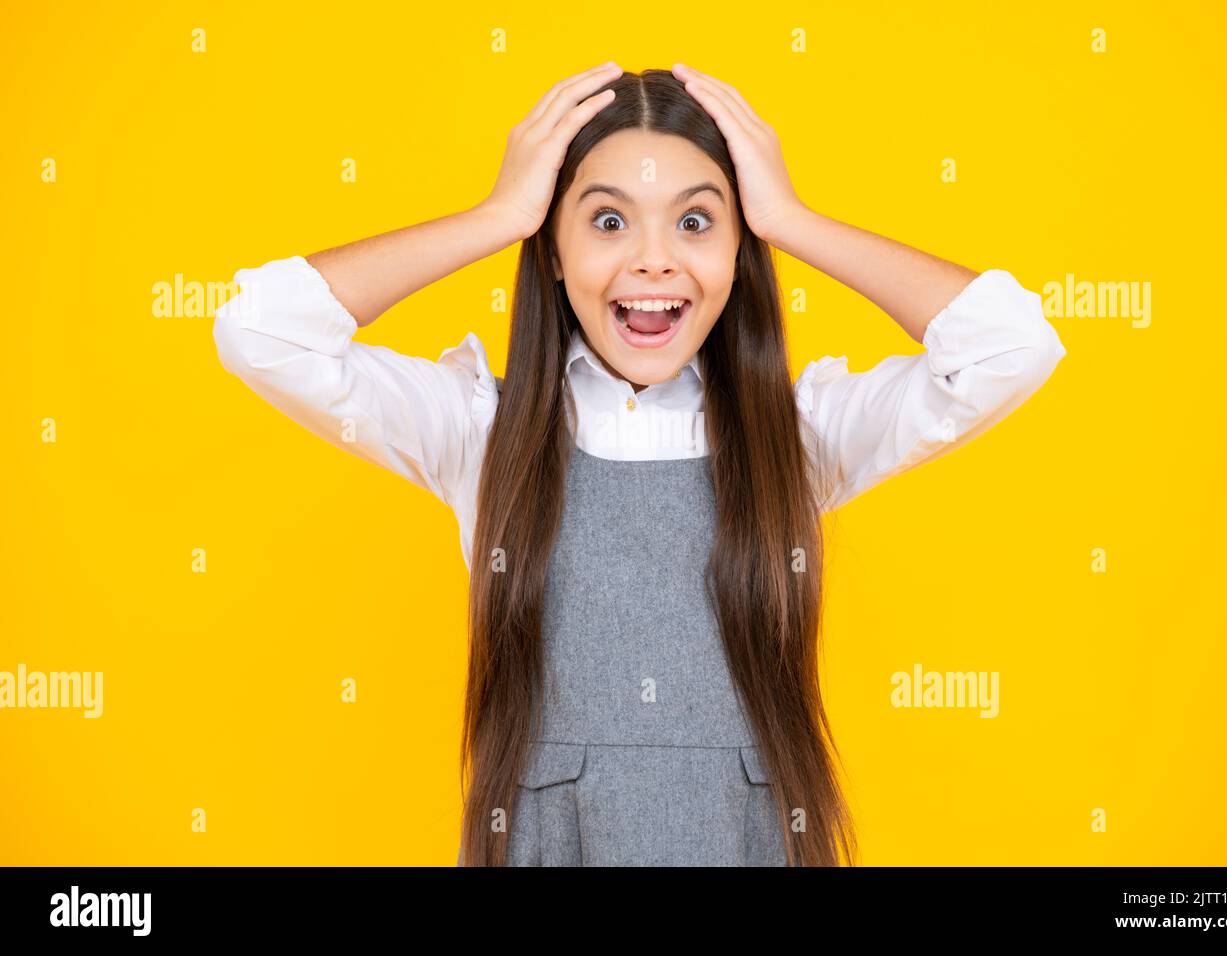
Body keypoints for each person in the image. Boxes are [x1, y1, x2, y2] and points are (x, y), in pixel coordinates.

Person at [212, 62, 1067, 866]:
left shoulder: (798, 434)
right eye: (608, 220)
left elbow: (1011, 347)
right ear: (551, 248)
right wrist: (497, 217)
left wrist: (794, 222)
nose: (654, 260)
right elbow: (260, 331)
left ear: (740, 251)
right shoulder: (481, 429)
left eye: (696, 222)